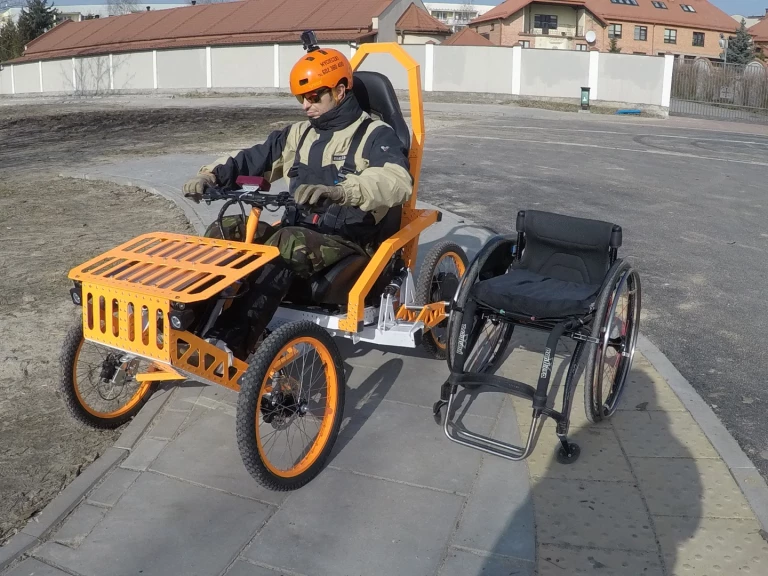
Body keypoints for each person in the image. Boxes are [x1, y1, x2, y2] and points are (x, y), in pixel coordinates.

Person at [182, 33, 412, 359]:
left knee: (286, 240)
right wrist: (210, 174)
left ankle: (232, 343)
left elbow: (396, 181)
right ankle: (186, 326)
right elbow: (253, 158)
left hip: (347, 240)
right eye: (300, 98)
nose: (306, 105)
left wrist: (341, 191)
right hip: (300, 232)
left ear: (341, 90)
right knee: (226, 230)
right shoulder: (298, 134)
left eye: (314, 96)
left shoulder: (375, 134)